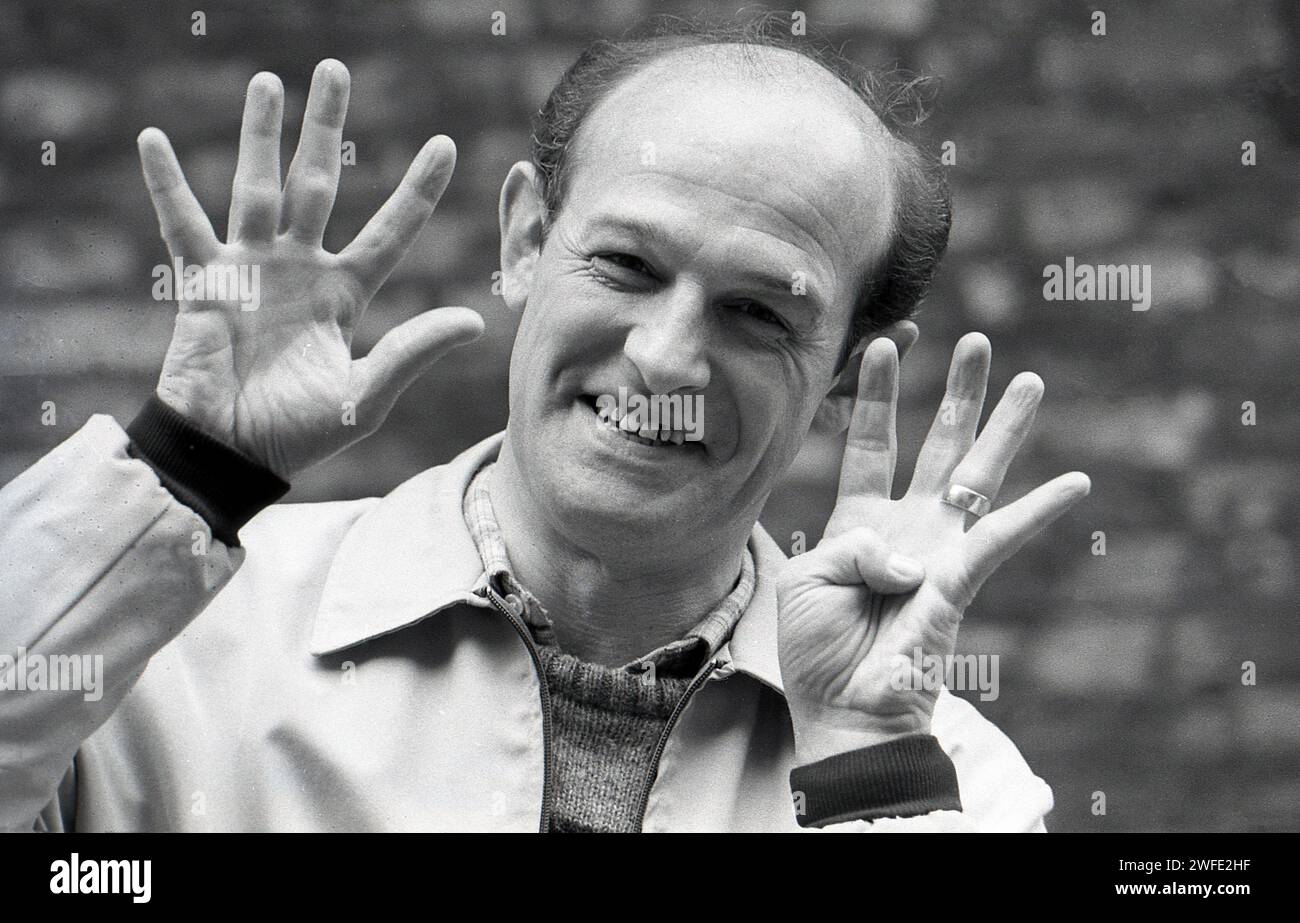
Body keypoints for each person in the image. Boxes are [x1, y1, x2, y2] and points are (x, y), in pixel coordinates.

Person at [0, 21, 1089, 832]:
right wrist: (182, 470)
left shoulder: (939, 772)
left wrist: (862, 763)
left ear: (846, 367)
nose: (664, 354)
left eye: (758, 312)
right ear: (526, 236)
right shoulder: (164, 639)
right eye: (625, 264)